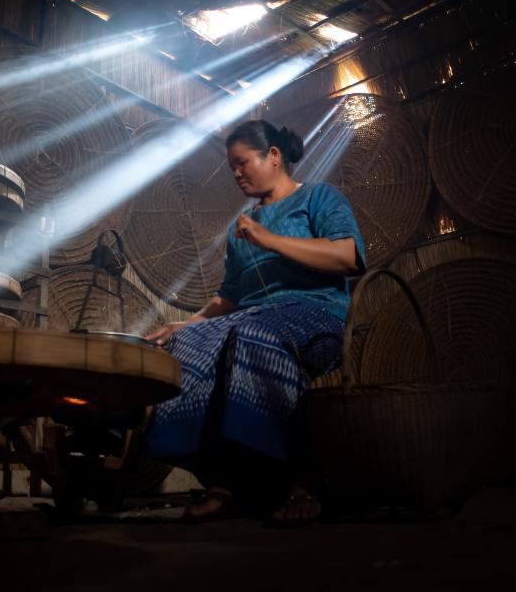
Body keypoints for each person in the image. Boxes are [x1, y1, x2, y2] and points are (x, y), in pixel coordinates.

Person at [142, 119, 366, 526]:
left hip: (315, 316)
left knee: (252, 334)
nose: (237, 173)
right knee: (185, 349)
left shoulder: (318, 198)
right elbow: (229, 296)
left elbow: (347, 256)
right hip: (249, 318)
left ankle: (299, 481)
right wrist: (187, 325)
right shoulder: (239, 230)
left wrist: (269, 240)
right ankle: (223, 481)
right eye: (232, 167)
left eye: (242, 162)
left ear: (274, 156)